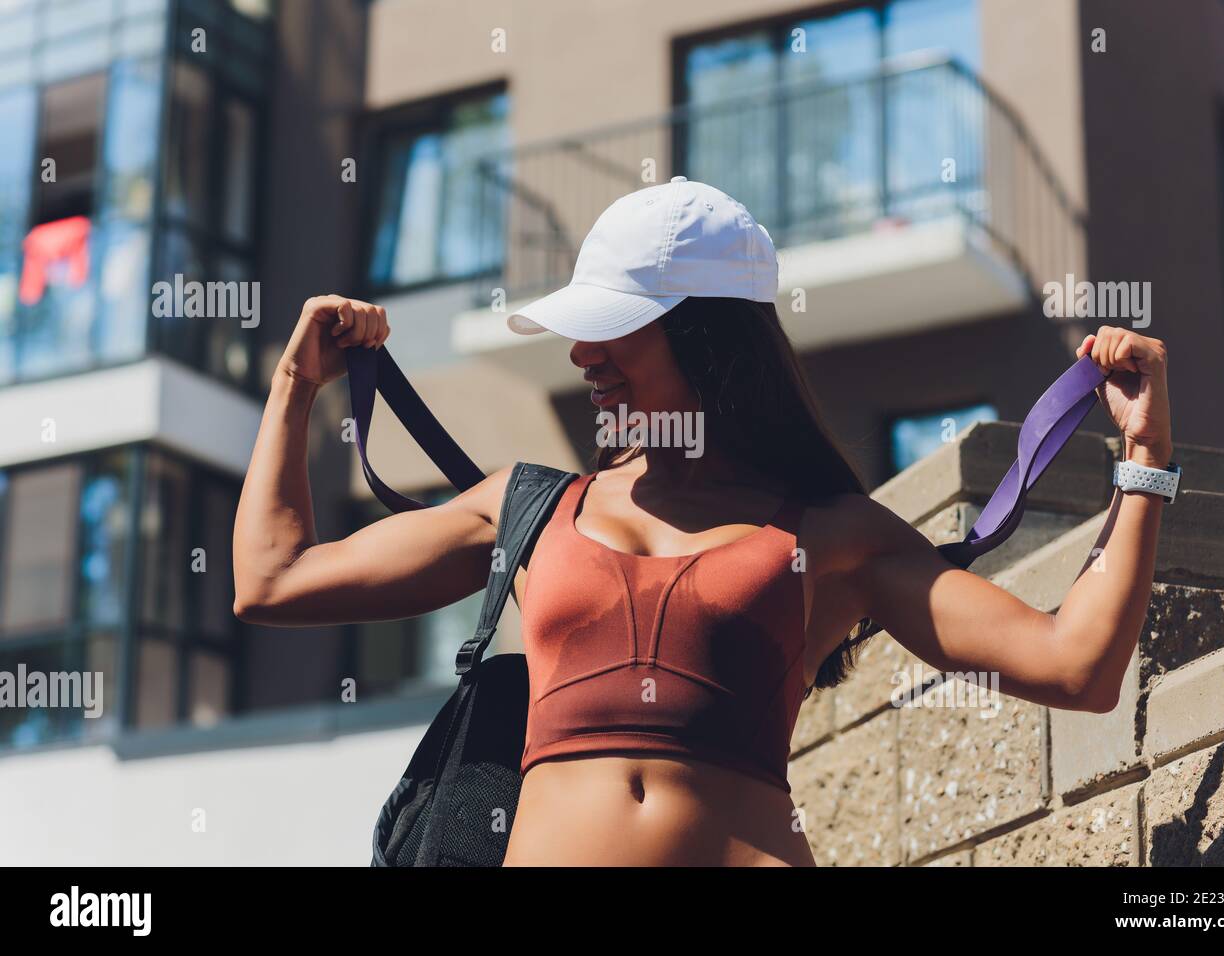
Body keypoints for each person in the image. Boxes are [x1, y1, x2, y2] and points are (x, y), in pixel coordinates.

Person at [233, 179, 1173, 867]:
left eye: (613, 325)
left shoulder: (834, 534)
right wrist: (294, 385)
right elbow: (270, 582)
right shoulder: (526, 506)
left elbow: (1077, 668)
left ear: (706, 332)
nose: (581, 352)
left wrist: (1143, 458)